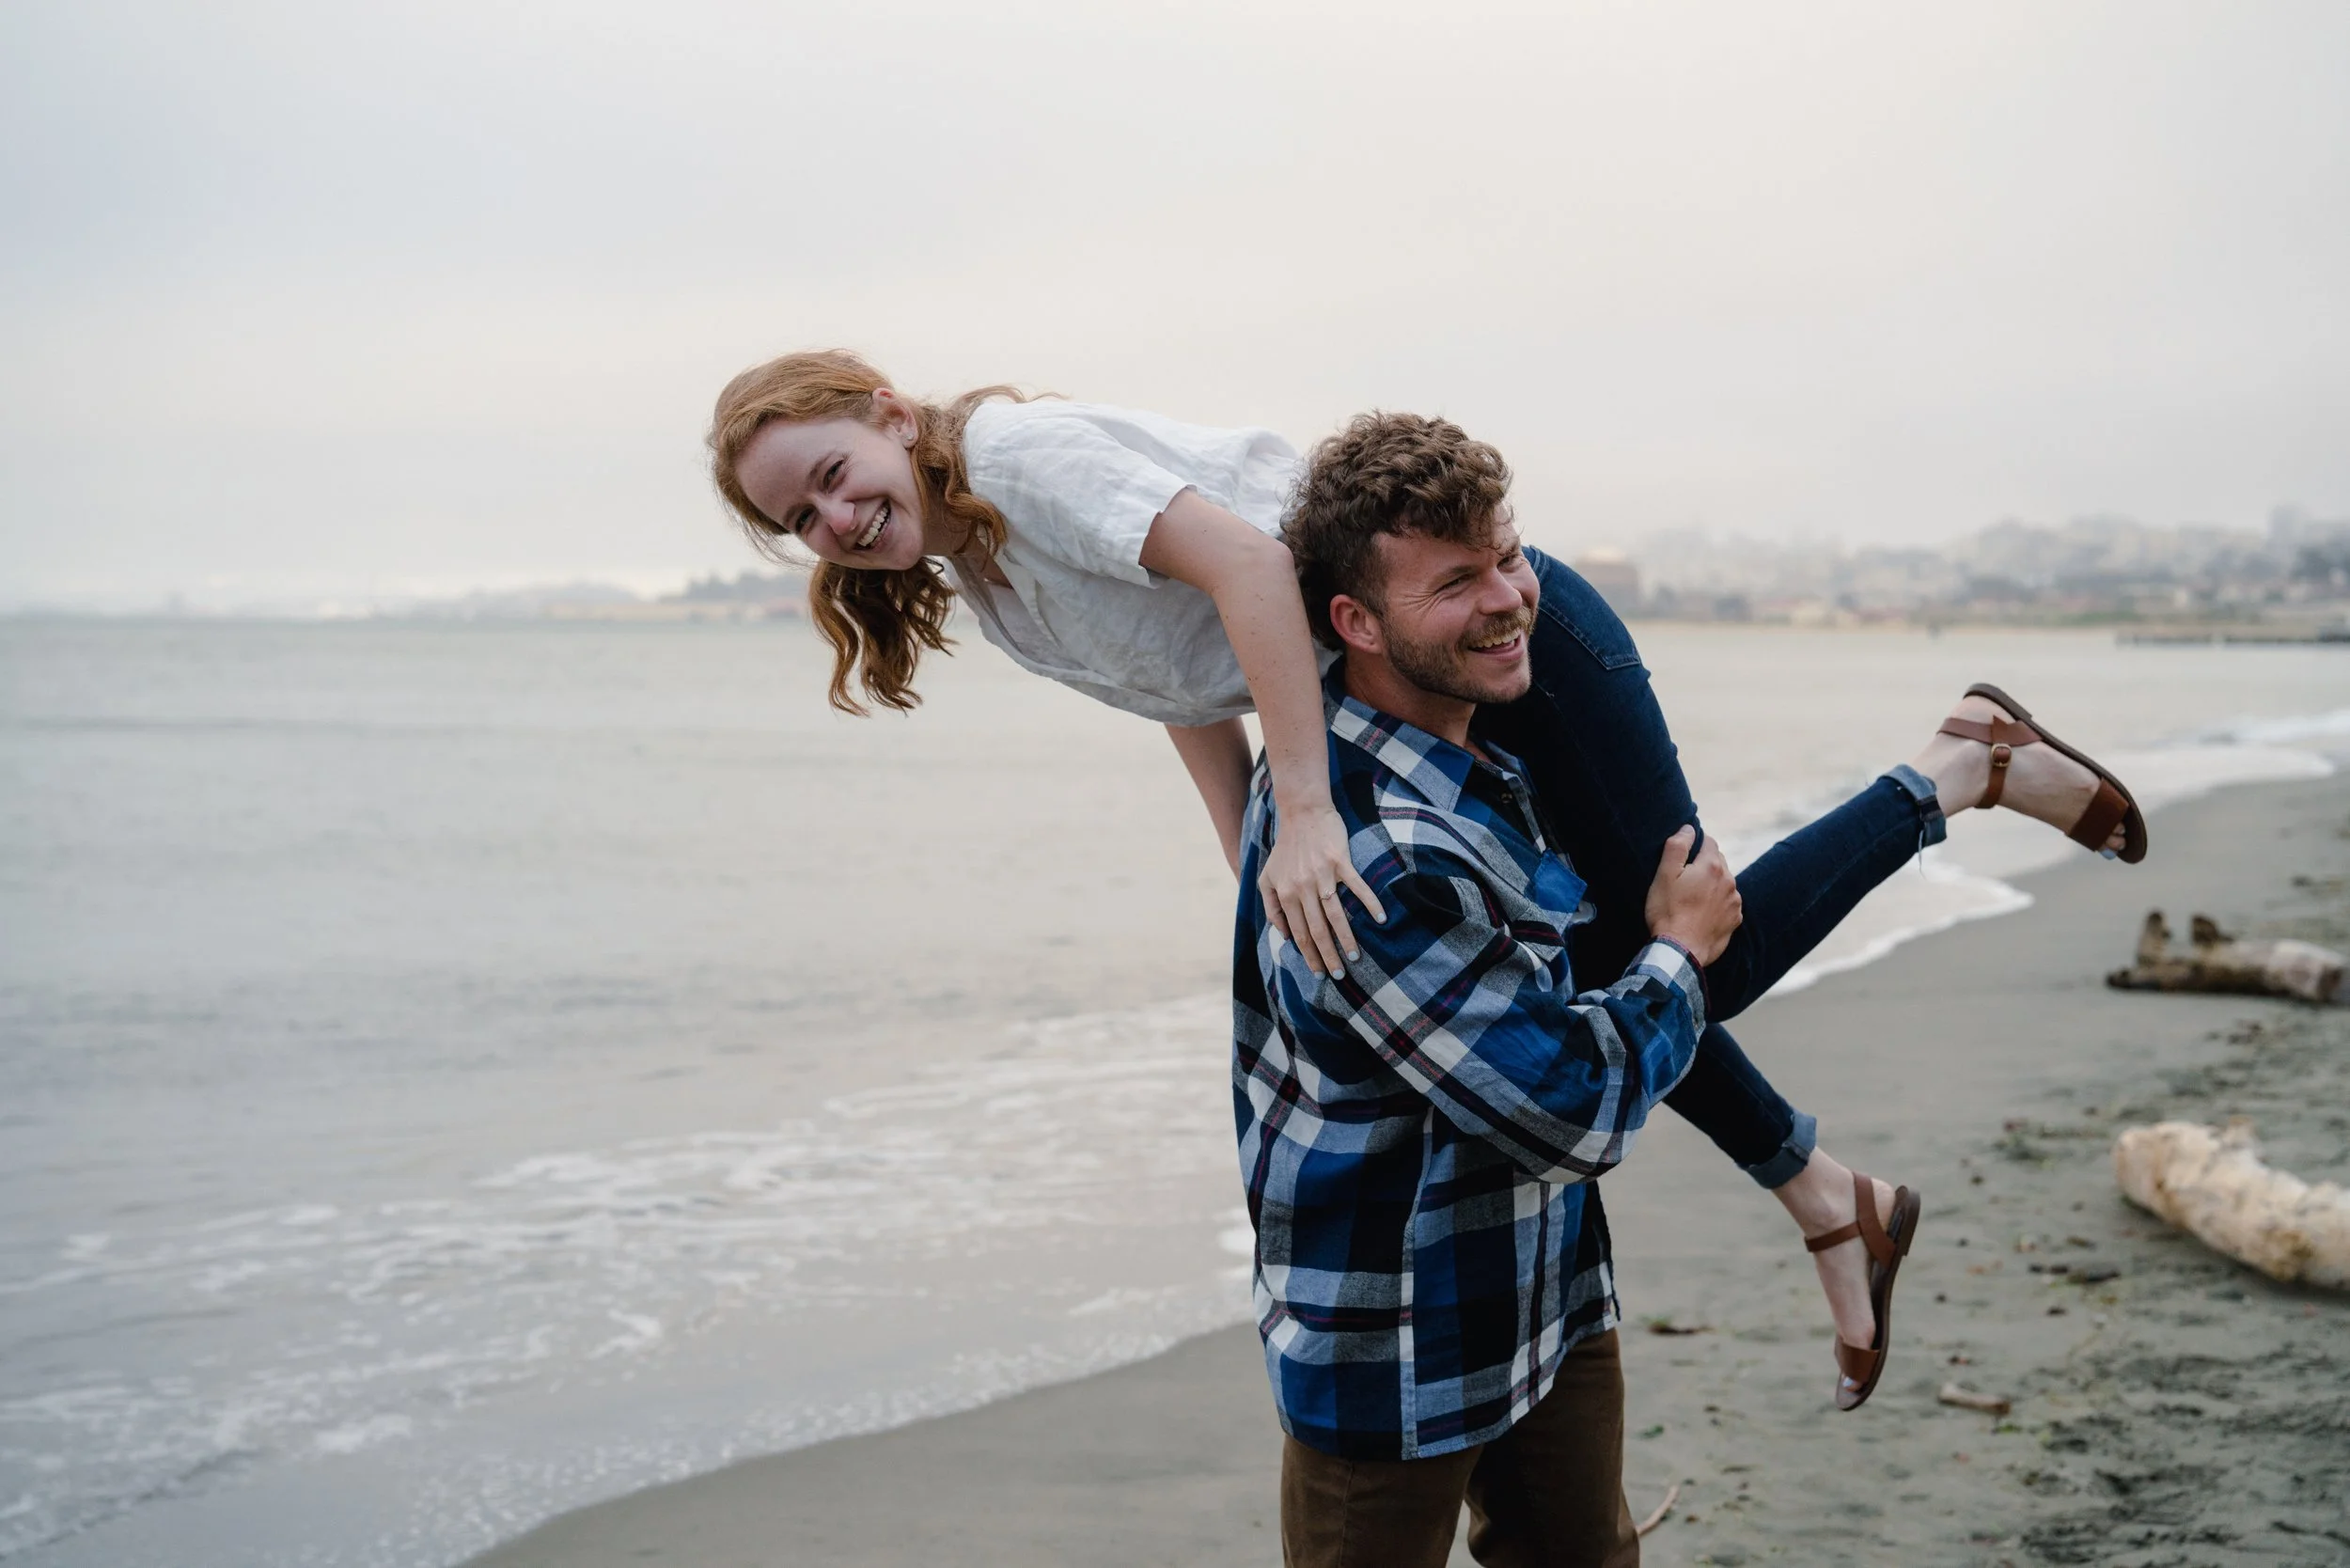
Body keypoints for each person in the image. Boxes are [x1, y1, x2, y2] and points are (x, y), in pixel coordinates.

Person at [706, 351, 2148, 1401]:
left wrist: (1317, 805)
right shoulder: (988, 580)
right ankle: (1833, 1197)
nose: (832, 520)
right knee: (1606, 980)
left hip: (1488, 629)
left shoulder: (1020, 462)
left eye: (834, 474)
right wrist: (1261, 853)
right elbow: (1182, 695)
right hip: (1396, 687)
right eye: (800, 517)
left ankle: (1961, 768)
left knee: (1704, 941)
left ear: (892, 418)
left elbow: (1250, 576)